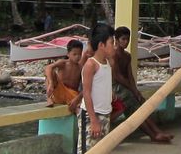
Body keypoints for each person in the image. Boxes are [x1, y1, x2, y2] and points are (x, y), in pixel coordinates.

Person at [110, 26, 173, 142]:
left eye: (127, 39)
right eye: (123, 39)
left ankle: (156, 133)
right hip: (116, 88)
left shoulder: (127, 56)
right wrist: (132, 90)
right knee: (136, 107)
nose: (126, 42)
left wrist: (136, 90)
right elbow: (117, 76)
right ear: (117, 40)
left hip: (126, 88)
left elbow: (130, 76)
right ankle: (155, 134)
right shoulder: (113, 55)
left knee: (140, 104)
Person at [70, 24, 115, 153]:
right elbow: (87, 93)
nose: (114, 46)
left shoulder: (108, 63)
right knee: (87, 150)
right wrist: (94, 120)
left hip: (105, 114)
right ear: (101, 45)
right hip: (91, 116)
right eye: (111, 43)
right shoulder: (91, 65)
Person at [44, 39, 84, 108]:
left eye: (79, 54)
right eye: (74, 54)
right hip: (59, 91)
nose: (77, 57)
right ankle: (49, 98)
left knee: (79, 105)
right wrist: (51, 83)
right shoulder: (63, 63)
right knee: (51, 73)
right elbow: (47, 68)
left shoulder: (81, 67)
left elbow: (85, 85)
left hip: (72, 95)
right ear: (68, 54)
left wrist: (79, 98)